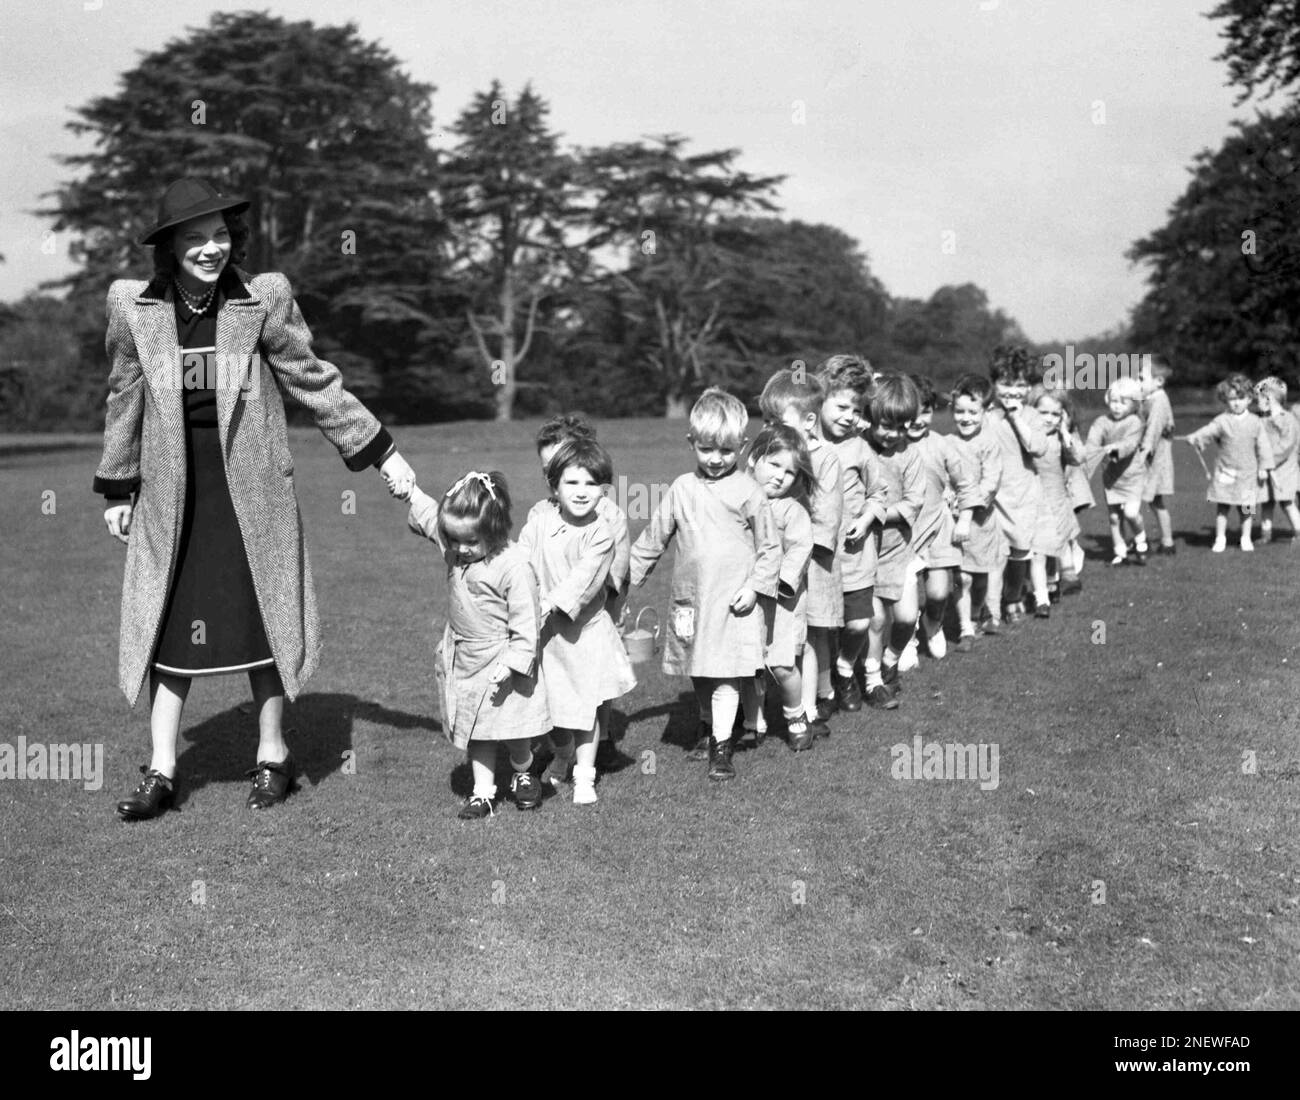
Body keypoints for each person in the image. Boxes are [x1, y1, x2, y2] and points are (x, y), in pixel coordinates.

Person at [97, 178, 416, 821]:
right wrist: (119, 484)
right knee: (166, 626)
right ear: (169, 247)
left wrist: (381, 452)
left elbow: (313, 381)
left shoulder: (262, 297)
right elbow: (124, 396)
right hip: (172, 495)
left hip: (253, 493)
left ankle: (273, 756)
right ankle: (161, 769)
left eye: (220, 235)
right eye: (195, 238)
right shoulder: (135, 306)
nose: (211, 249)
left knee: (264, 618)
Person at [628, 387, 781, 781]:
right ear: (691, 442)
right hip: (691, 601)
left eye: (727, 451)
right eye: (707, 450)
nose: (716, 460)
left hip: (734, 602)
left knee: (727, 672)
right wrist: (623, 579)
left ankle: (722, 746)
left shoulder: (749, 491)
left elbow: (770, 548)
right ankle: (706, 723)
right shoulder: (682, 488)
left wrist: (755, 588)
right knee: (699, 668)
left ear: (742, 447)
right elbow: (654, 538)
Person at [408, 472, 549, 818]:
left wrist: (515, 661)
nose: (459, 548)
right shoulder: (457, 553)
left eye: (470, 541)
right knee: (478, 731)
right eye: (453, 539)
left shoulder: (513, 566)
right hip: (467, 660)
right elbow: (430, 521)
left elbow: (527, 621)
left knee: (513, 725)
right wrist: (410, 491)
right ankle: (483, 793)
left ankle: (523, 769)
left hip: (503, 661)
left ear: (495, 530)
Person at [519, 438, 636, 804]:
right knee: (549, 708)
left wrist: (548, 604)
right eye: (572, 483)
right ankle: (563, 753)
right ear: (554, 486)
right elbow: (520, 564)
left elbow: (583, 581)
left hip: (584, 634)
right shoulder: (538, 523)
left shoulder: (601, 533)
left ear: (603, 490)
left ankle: (585, 777)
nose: (582, 492)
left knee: (585, 709)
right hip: (546, 635)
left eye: (592, 484)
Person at [759, 369, 844, 739]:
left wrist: (802, 547)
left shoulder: (825, 458)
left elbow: (826, 515)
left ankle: (807, 710)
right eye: (766, 420)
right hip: (773, 564)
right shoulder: (768, 454)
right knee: (767, 637)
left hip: (813, 565)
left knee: (807, 639)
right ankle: (757, 715)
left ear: (809, 421)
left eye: (778, 421)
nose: (769, 427)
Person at [815, 356, 887, 712]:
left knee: (858, 622)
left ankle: (846, 670)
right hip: (818, 560)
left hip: (855, 554)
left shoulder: (861, 448)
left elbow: (879, 494)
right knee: (821, 629)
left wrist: (868, 518)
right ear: (820, 400)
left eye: (855, 408)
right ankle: (825, 691)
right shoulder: (805, 444)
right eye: (841, 405)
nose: (848, 415)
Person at [739, 425, 816, 752]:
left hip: (783, 601)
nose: (781, 477)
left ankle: (795, 714)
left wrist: (783, 579)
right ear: (755, 458)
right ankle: (752, 721)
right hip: (747, 596)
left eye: (790, 472)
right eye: (775, 465)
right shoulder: (739, 500)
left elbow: (801, 547)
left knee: (783, 665)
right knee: (748, 664)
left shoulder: (792, 510)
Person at [859, 375, 925, 703]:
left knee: (906, 617)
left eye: (900, 427)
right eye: (885, 425)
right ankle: (872, 682)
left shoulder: (909, 455)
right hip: (864, 549)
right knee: (875, 617)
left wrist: (877, 512)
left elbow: (914, 502)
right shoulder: (858, 447)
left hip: (898, 548)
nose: (892, 434)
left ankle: (890, 660)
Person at [900, 375, 974, 663]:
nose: (919, 420)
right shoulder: (893, 443)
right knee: (903, 594)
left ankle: (934, 623)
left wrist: (965, 518)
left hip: (940, 526)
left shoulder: (942, 444)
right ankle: (905, 640)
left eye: (926, 411)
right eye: (912, 413)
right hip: (904, 529)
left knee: (939, 591)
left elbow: (966, 484)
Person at [985, 346, 1047, 623]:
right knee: (994, 554)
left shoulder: (1032, 416)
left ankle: (1013, 597)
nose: (1012, 391)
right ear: (995, 384)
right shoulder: (986, 415)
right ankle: (992, 608)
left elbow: (1037, 447)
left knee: (1020, 551)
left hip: (1023, 494)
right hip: (993, 494)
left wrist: (1016, 416)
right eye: (1006, 384)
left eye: (1020, 385)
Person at [1181, 375, 1275, 552]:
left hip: (1248, 473)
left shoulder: (1255, 422)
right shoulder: (1222, 420)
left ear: (1248, 399)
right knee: (1223, 505)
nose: (1236, 403)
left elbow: (1263, 446)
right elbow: (1209, 431)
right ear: (1226, 400)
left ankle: (1245, 538)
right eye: (1232, 399)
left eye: (1241, 398)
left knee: (1247, 509)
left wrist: (1264, 467)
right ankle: (1220, 538)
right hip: (1226, 471)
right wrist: (1196, 437)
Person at [947, 374, 1007, 649]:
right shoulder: (947, 442)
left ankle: (977, 611)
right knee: (962, 577)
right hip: (953, 520)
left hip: (981, 521)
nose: (966, 418)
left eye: (973, 412)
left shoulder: (990, 443)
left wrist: (968, 506)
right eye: (960, 411)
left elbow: (990, 482)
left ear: (985, 412)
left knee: (980, 576)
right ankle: (965, 629)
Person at [1029, 387, 1084, 614]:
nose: (1049, 419)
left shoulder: (1061, 439)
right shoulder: (1027, 437)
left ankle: (1052, 584)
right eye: (1044, 413)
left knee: (1053, 547)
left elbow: (1079, 457)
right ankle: (1041, 599)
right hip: (1033, 503)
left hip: (1057, 501)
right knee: (1038, 553)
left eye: (1055, 414)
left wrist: (1066, 434)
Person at [1086, 377, 1150, 565]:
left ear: (1133, 405)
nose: (1117, 407)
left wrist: (1114, 449)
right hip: (1112, 478)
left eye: (1123, 403)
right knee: (1114, 517)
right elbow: (1093, 440)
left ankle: (1140, 538)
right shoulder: (1101, 421)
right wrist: (1089, 451)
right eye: (1114, 401)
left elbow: (1129, 444)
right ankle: (1120, 551)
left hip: (1132, 476)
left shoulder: (1134, 422)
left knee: (1131, 513)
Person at [1135, 357, 1177, 555]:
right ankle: (1164, 541)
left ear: (1158, 381)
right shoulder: (1149, 399)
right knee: (1153, 501)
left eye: (1142, 378)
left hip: (1156, 458)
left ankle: (1165, 541)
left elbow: (1153, 429)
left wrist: (1143, 452)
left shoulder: (1159, 400)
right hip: (1151, 456)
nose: (1138, 382)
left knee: (1153, 499)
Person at [1252, 377, 1300, 543]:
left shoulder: (1287, 419)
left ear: (1268, 399)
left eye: (1258, 399)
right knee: (1266, 502)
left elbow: (1286, 445)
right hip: (1265, 469)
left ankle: (1299, 531)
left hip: (1284, 469)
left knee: (1287, 502)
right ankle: (1266, 534)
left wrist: (1268, 461)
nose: (1256, 403)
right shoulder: (1261, 420)